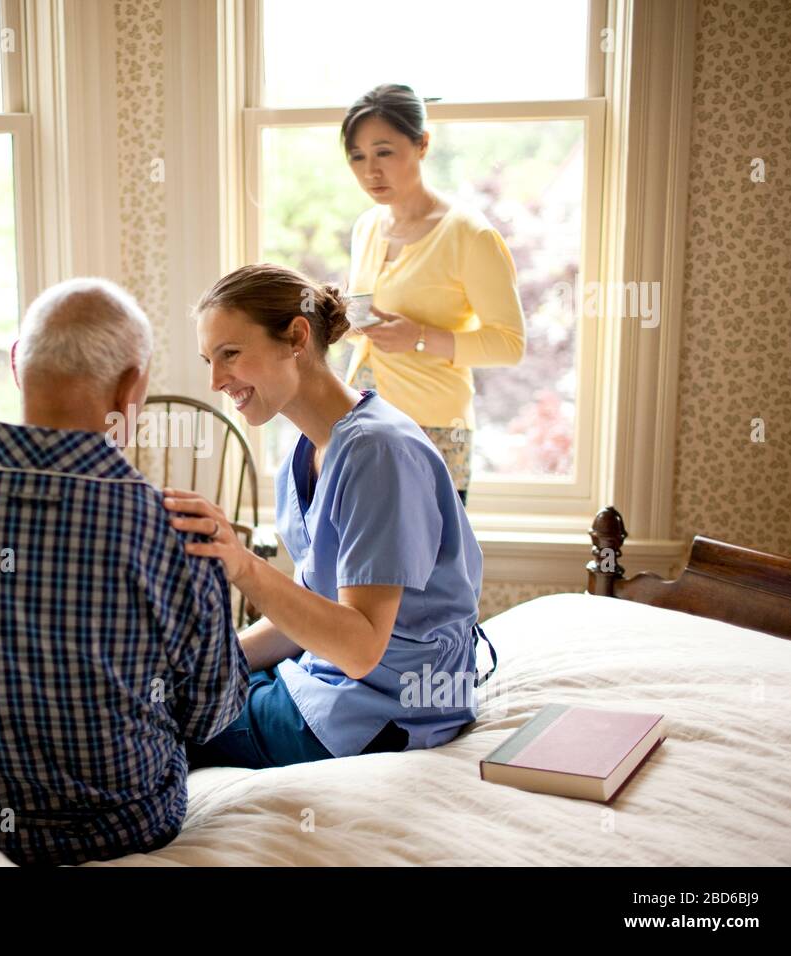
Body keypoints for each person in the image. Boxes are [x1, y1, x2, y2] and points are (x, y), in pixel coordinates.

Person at [0, 277, 248, 865]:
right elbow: (210, 714)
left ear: (18, 367)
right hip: (123, 827)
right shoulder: (175, 534)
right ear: (132, 386)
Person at [167, 263, 495, 770]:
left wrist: (243, 565)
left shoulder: (378, 453)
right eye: (209, 360)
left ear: (297, 336)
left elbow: (361, 647)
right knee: (171, 691)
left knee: (153, 721)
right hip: (325, 682)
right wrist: (205, 663)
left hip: (384, 710)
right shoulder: (304, 457)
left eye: (230, 354)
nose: (215, 381)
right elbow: (306, 621)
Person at [340, 83, 526, 504]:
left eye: (384, 152)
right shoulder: (367, 227)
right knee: (365, 565)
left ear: (422, 144)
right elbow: (366, 320)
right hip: (362, 420)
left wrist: (420, 336)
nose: (371, 171)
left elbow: (510, 345)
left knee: (429, 567)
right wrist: (344, 318)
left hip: (435, 429)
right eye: (358, 156)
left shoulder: (470, 235)